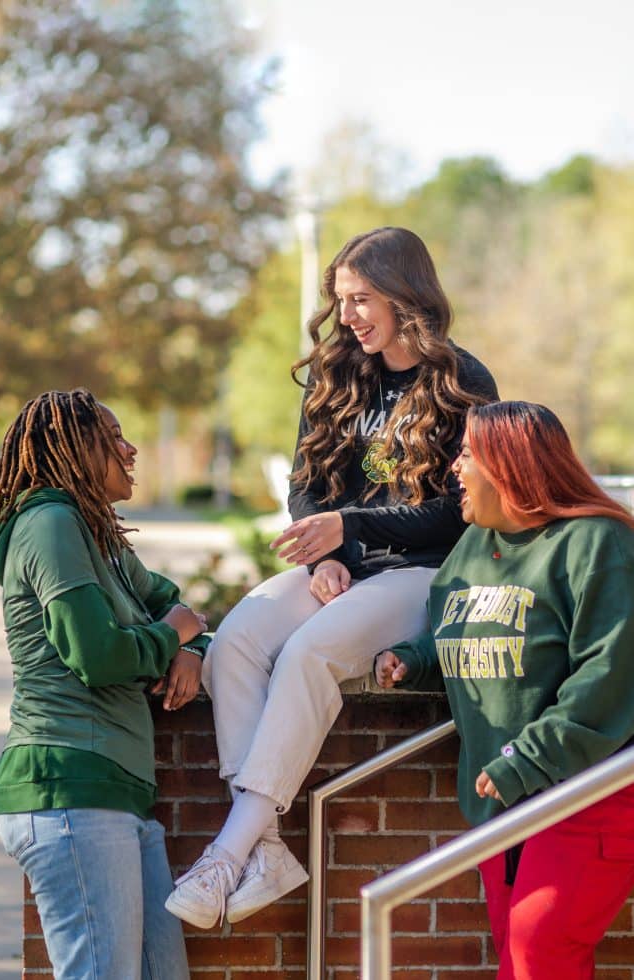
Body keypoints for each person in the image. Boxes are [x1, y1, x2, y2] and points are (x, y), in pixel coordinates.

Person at [165, 226, 499, 930]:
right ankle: (269, 849)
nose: (346, 315)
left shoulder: (462, 381)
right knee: (239, 641)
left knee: (311, 653)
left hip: (421, 576)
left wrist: (351, 528)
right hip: (345, 567)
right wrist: (324, 556)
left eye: (361, 298)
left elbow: (458, 515)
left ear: (405, 293)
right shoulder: (337, 373)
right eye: (340, 299)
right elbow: (305, 488)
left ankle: (226, 856)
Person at [375, 400, 634, 980]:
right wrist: (413, 661)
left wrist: (527, 759)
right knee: (516, 958)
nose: (453, 470)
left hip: (585, 790)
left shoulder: (597, 542)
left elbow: (609, 675)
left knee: (540, 952)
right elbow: (459, 631)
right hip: (504, 795)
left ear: (508, 463)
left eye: (465, 454)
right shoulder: (472, 547)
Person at [0, 388, 210, 980]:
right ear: (77, 449)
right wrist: (171, 638)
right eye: (113, 438)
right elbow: (98, 655)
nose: (131, 450)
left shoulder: (96, 535)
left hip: (116, 795)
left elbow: (175, 606)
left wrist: (193, 648)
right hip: (67, 790)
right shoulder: (50, 523)